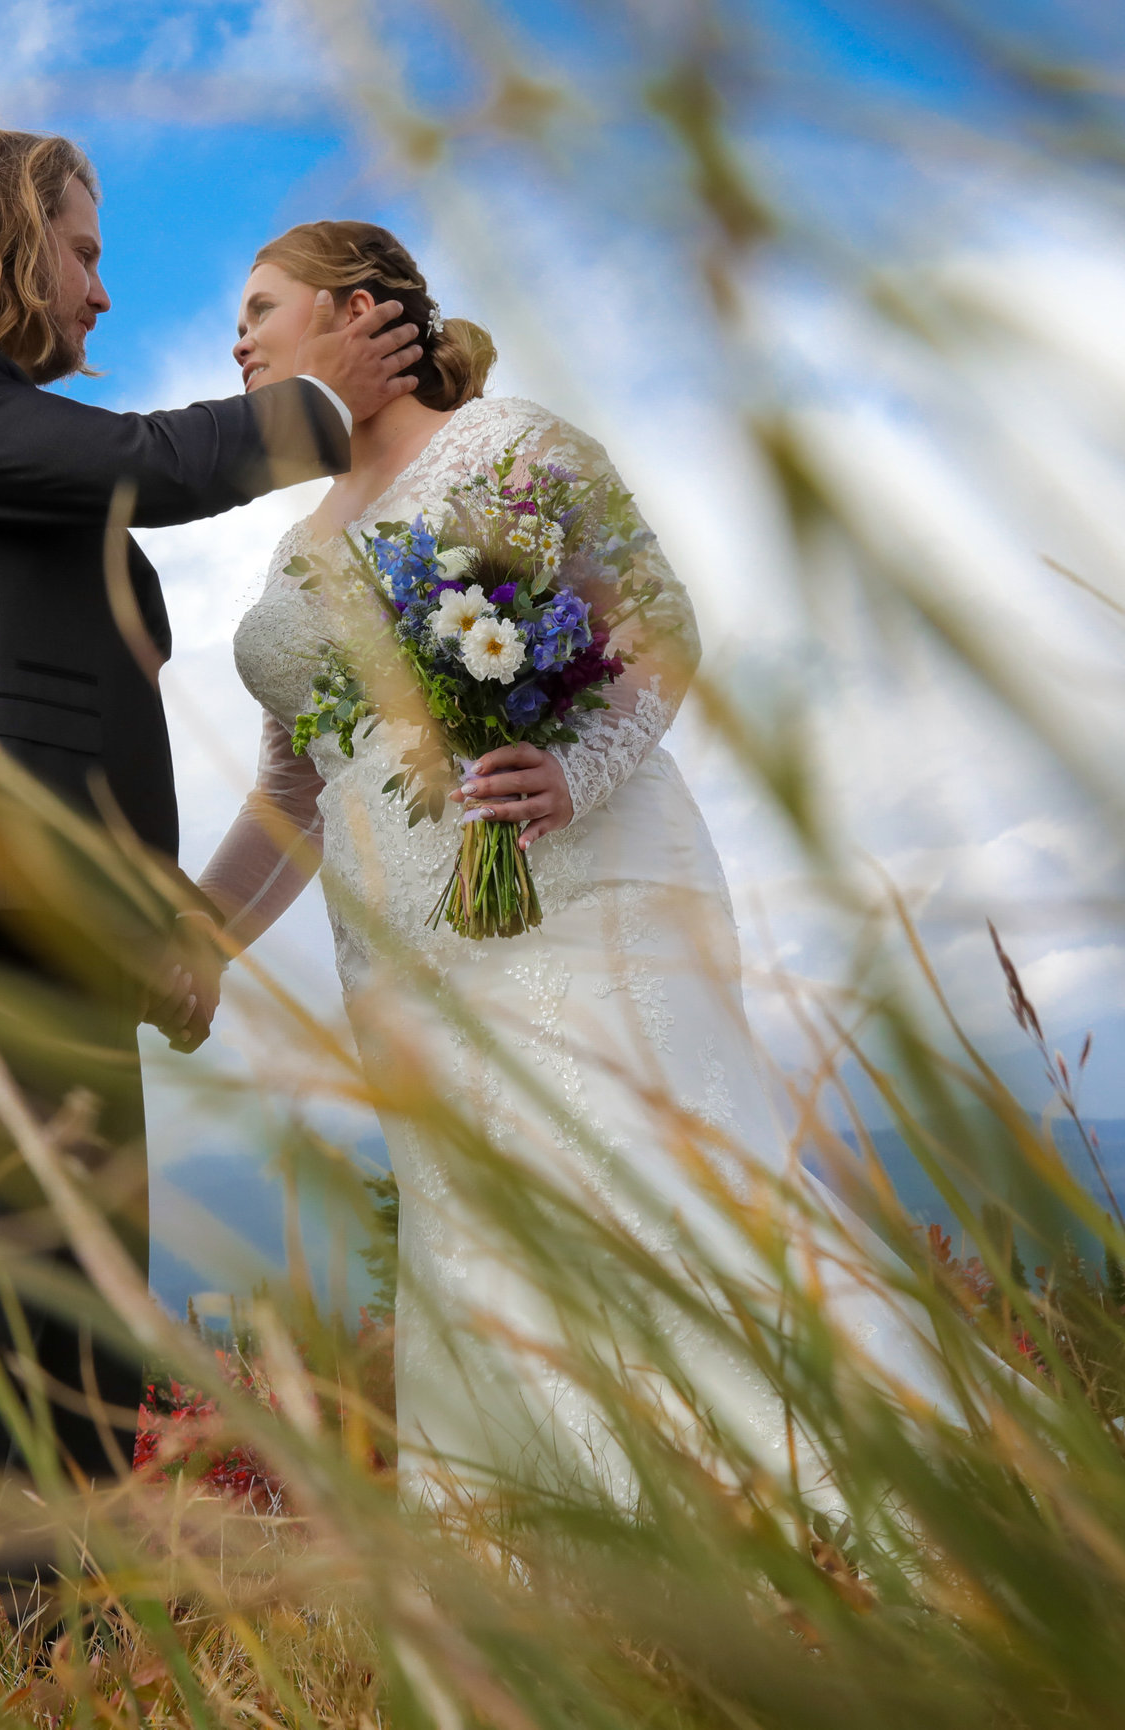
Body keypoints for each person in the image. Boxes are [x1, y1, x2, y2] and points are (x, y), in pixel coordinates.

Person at [197, 221, 951, 1509]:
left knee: (639, 1198)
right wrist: (186, 935)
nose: (240, 338)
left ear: (358, 312)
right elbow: (291, 792)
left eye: (264, 307)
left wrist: (577, 767)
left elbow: (660, 623)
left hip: (570, 900)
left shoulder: (514, 449)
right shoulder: (295, 550)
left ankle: (812, 1532)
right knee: (487, 1253)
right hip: (405, 966)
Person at [0, 136, 423, 1563]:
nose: (103, 292)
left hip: (44, 944)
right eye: (83, 251)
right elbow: (149, 458)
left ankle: (45, 1659)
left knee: (82, 1349)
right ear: (2, 237)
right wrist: (329, 406)